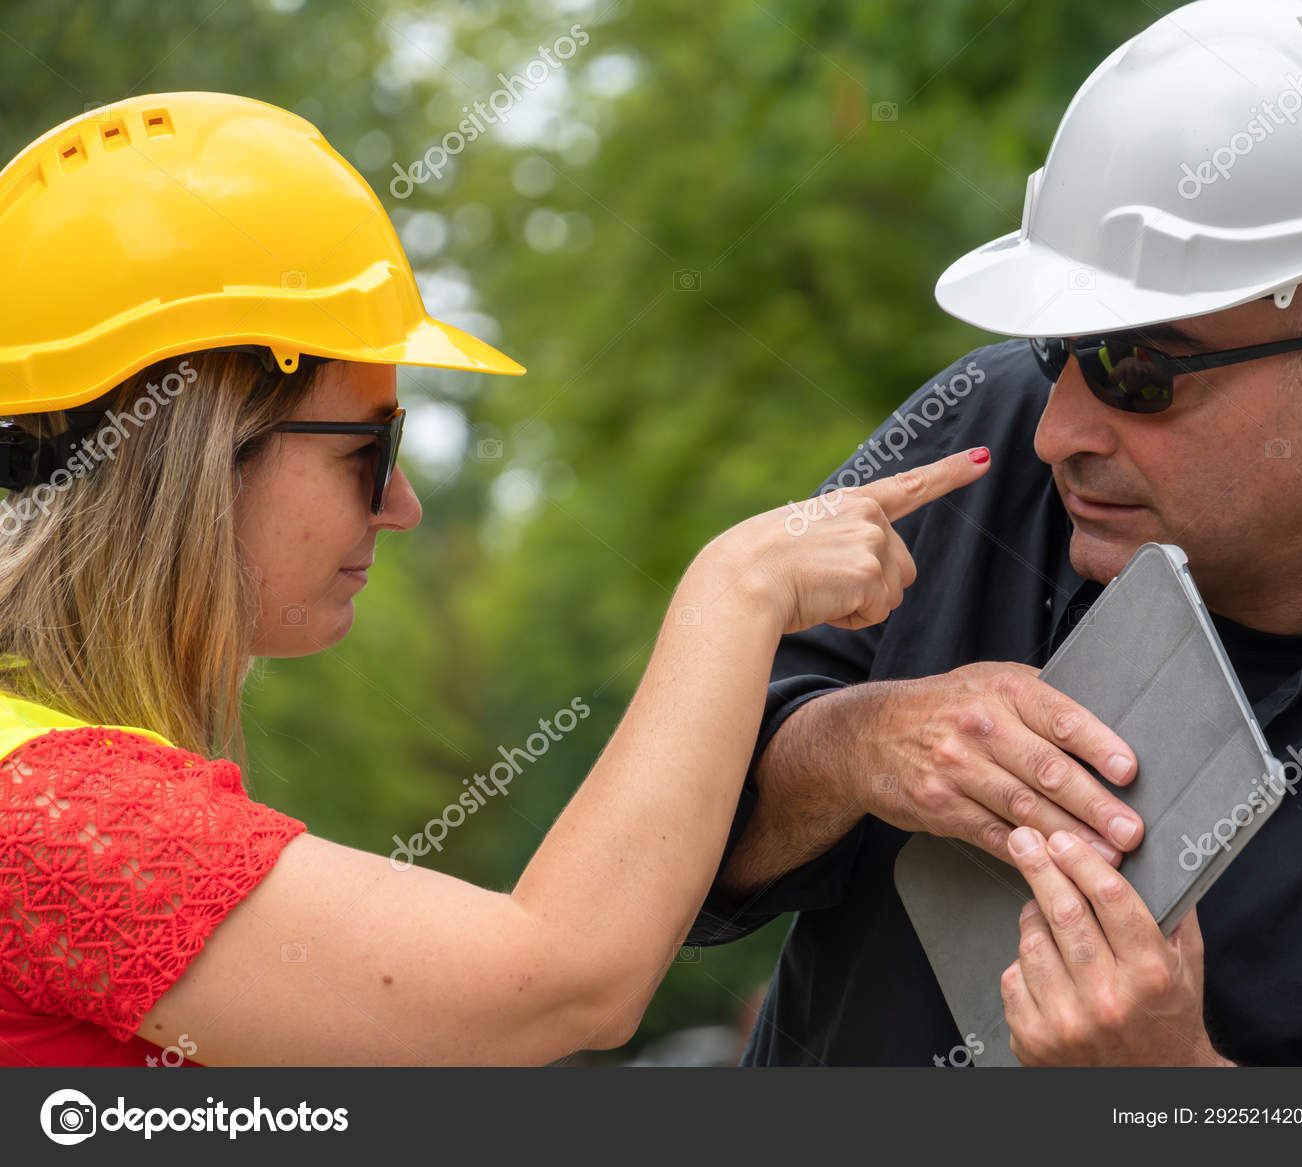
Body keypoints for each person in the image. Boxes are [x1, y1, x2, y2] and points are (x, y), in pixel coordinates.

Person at [691, 0, 1302, 1066]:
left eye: (1139, 369)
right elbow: (661, 858)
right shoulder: (979, 438)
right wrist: (853, 746)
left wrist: (1170, 1088)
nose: (1059, 426)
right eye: (1053, 347)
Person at [0, 91, 989, 1066]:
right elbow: (564, 984)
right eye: (370, 449)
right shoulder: (51, 819)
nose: (402, 507)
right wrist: (736, 588)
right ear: (193, 446)